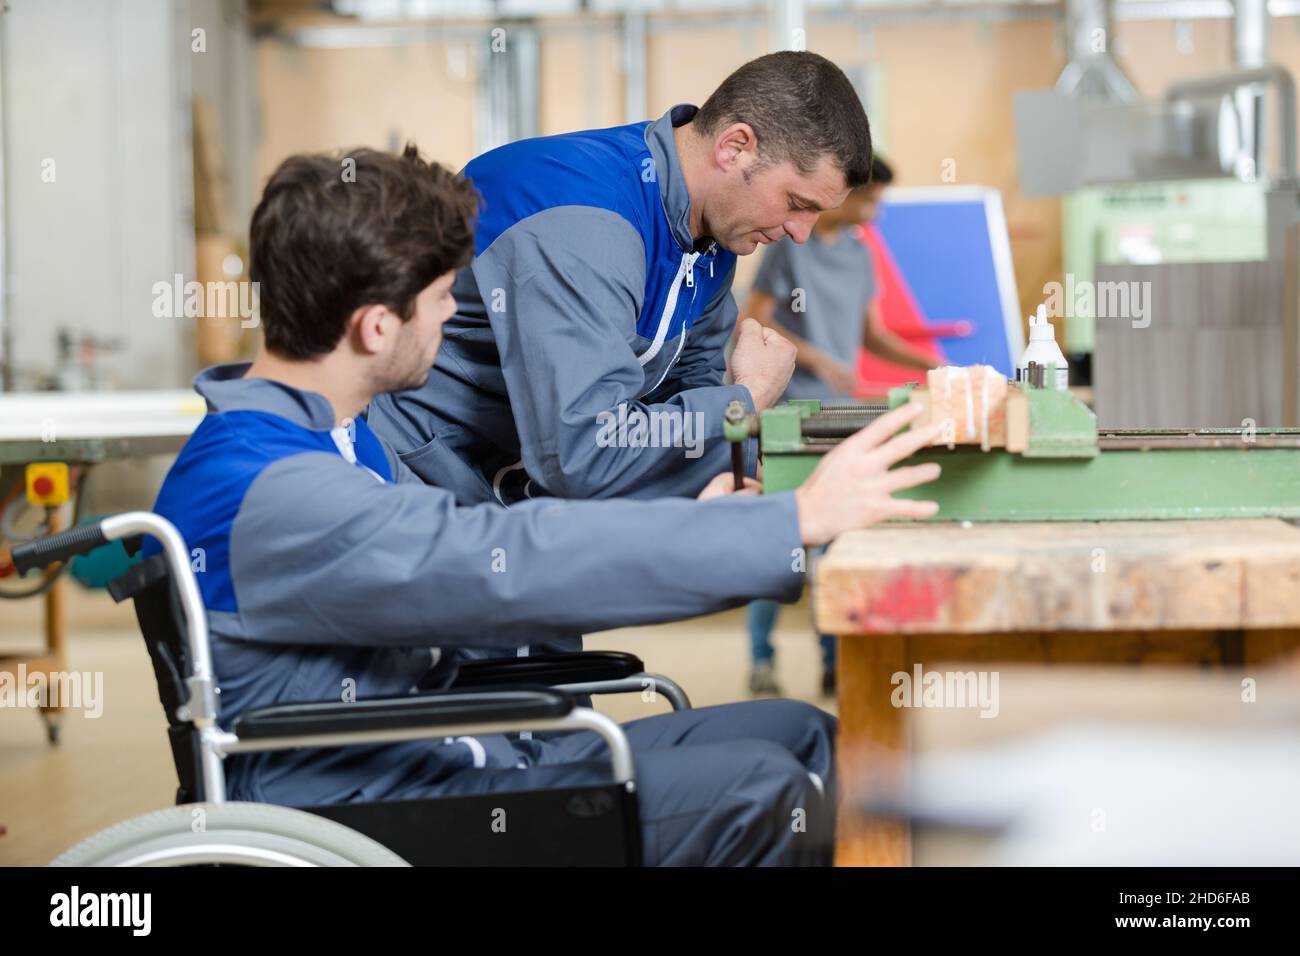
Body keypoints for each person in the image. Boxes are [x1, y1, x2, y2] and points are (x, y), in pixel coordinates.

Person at [146, 145, 943, 865]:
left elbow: (505, 540)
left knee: (808, 732)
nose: (455, 313)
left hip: (450, 752)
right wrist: (786, 525)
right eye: (439, 298)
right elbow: (517, 561)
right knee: (761, 790)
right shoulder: (274, 487)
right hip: (377, 805)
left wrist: (703, 508)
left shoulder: (331, 439)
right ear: (376, 325)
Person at [365, 50, 872, 506]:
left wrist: (754, 455)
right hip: (407, 485)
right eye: (796, 204)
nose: (802, 234)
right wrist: (744, 404)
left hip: (504, 494)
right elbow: (583, 453)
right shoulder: (583, 220)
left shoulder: (712, 240)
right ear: (735, 146)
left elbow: (684, 403)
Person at [740, 157, 936, 697]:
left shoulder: (859, 253)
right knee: (782, 539)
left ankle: (832, 660)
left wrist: (930, 364)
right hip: (788, 410)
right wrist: (819, 359)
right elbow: (752, 320)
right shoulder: (787, 247)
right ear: (844, 192)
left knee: (835, 541)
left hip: (838, 416)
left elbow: (871, 335)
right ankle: (762, 658)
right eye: (869, 200)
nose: (873, 213)